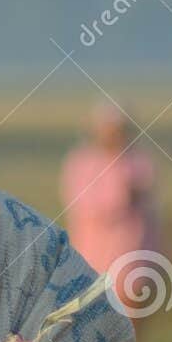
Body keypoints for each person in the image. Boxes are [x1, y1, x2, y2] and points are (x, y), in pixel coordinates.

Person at [60, 103, 163, 313]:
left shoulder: (137, 161)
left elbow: (148, 206)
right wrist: (122, 198)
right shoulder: (83, 162)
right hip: (92, 254)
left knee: (132, 314)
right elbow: (84, 205)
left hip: (133, 254)